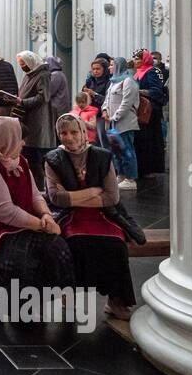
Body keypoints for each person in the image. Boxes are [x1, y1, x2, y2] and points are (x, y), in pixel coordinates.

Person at [0, 116, 75, 304]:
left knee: (57, 246)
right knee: (20, 259)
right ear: (7, 139)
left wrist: (47, 215)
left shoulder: (16, 159)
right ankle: (15, 306)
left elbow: (34, 194)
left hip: (22, 219)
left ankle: (59, 295)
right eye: (20, 138)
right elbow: (5, 212)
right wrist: (41, 225)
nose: (23, 143)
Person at [44, 114, 138, 320]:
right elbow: (56, 199)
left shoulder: (102, 156)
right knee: (74, 243)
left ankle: (116, 300)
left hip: (104, 213)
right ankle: (67, 295)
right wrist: (94, 191)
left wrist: (72, 196)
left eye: (74, 132)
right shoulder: (53, 159)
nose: (69, 137)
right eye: (63, 133)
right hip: (69, 215)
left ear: (83, 132)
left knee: (116, 245)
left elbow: (112, 197)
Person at [0, 50, 55, 186]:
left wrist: (21, 102)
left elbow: (43, 97)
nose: (22, 67)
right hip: (26, 117)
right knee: (28, 157)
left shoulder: (43, 75)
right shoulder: (29, 75)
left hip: (37, 120)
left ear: (30, 62)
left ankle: (39, 188)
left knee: (35, 159)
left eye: (23, 64)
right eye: (20, 64)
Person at [101, 55, 140, 190]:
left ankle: (131, 178)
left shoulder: (128, 81)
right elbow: (107, 100)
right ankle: (121, 174)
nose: (110, 67)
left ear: (118, 66)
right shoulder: (113, 82)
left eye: (112, 65)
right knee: (117, 151)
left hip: (125, 123)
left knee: (127, 150)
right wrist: (105, 111)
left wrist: (114, 117)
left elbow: (127, 103)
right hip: (112, 124)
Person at [132, 48, 169, 179]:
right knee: (141, 140)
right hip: (139, 110)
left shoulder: (152, 72)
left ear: (144, 60)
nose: (135, 61)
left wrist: (138, 91)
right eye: (135, 58)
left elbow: (156, 91)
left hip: (150, 112)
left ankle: (150, 169)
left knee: (150, 140)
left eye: (138, 58)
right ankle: (142, 168)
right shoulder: (137, 73)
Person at [81, 55, 113, 148]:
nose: (95, 71)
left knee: (103, 141)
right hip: (91, 115)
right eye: (93, 69)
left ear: (105, 69)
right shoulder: (91, 81)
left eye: (98, 69)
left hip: (102, 115)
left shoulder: (109, 81)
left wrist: (94, 94)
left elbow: (107, 100)